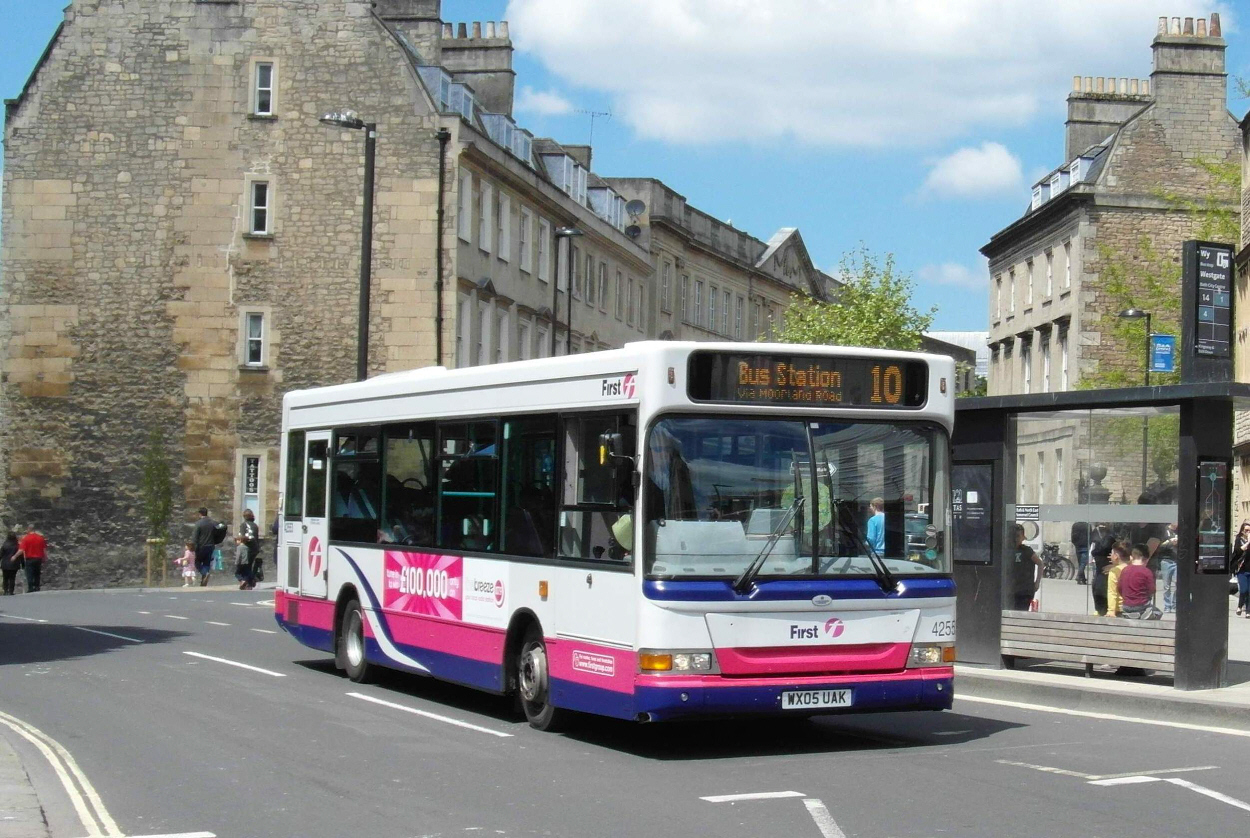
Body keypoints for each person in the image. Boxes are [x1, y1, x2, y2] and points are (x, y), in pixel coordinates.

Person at [1009, 523, 1042, 610]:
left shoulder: (1027, 551)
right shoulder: (1007, 550)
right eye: (1013, 536)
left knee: (1021, 611)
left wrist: (1037, 583)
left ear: (1023, 537)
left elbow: (1040, 564)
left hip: (1025, 590)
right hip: (1011, 589)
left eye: (1018, 536)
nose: (1015, 539)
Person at [1119, 545, 1158, 619]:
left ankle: (1130, 614)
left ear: (1131, 557)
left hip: (1126, 605)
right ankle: (1142, 613)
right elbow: (1152, 589)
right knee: (1158, 612)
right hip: (1141, 605)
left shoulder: (1125, 570)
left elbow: (1119, 588)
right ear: (1146, 559)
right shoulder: (1147, 572)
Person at [1089, 523, 1116, 615]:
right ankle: (1101, 610)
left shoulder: (1110, 537)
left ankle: (1103, 610)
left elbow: (1100, 550)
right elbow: (1095, 551)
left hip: (1105, 567)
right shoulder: (1098, 534)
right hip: (1101, 568)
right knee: (1098, 587)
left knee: (1101, 589)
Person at [16, 524, 47, 593]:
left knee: (29, 573)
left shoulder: (26, 538)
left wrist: (14, 556)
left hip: (30, 558)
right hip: (38, 558)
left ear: (29, 529)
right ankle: (37, 586)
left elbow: (21, 550)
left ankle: (30, 587)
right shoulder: (40, 538)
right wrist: (45, 557)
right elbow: (44, 549)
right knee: (37, 573)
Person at [235, 509, 260, 590]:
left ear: (244, 517)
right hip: (255, 548)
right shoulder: (255, 525)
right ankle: (249, 583)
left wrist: (238, 539)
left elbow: (242, 537)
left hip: (246, 548)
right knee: (249, 566)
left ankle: (247, 580)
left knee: (242, 567)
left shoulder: (243, 525)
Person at [192, 507, 217, 587]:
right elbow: (218, 531)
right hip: (210, 546)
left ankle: (205, 573)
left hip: (201, 546)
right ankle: (203, 582)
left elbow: (195, 537)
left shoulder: (198, 523)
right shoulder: (212, 523)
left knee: (197, 563)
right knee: (206, 563)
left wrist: (195, 548)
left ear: (200, 514)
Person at [1157, 523, 1179, 614]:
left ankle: (1175, 604)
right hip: (1166, 560)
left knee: (1178, 583)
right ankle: (1167, 606)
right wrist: (1170, 542)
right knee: (1166, 586)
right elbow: (1159, 546)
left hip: (1177, 560)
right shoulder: (1164, 531)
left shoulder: (1179, 531)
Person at [1106, 541, 1130, 618]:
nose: (1110, 556)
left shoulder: (1114, 571)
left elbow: (1112, 592)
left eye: (1111, 553)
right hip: (1133, 607)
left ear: (1116, 556)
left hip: (1120, 609)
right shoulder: (1134, 568)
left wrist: (1111, 611)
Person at [1233, 522, 1250, 616]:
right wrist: (1248, 542)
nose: (1248, 532)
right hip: (1241, 569)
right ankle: (1240, 606)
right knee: (1244, 590)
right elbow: (1238, 551)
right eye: (1246, 530)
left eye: (1249, 530)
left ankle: (1248, 611)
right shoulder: (1239, 540)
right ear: (1242, 531)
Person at [1071, 521, 1090, 585]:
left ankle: (1082, 579)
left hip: (1078, 546)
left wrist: (1075, 543)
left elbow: (1073, 537)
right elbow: (1090, 536)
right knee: (1083, 563)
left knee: (1081, 563)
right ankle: (1079, 575)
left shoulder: (1075, 525)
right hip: (1085, 545)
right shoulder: (1088, 525)